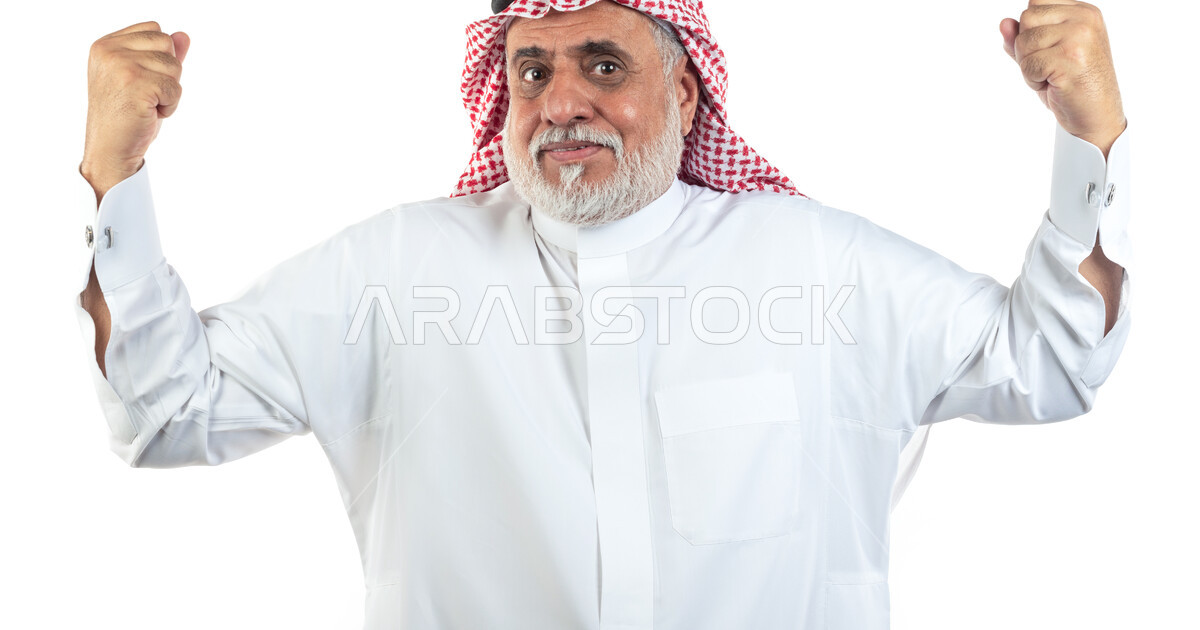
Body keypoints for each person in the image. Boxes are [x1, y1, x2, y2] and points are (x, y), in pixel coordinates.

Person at [74, 0, 1131, 628]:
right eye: (533, 68)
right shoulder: (395, 269)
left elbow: (1050, 362)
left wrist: (1091, 135)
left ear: (688, 94)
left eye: (605, 65)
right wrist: (114, 170)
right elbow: (166, 412)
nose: (561, 100)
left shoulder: (819, 264)